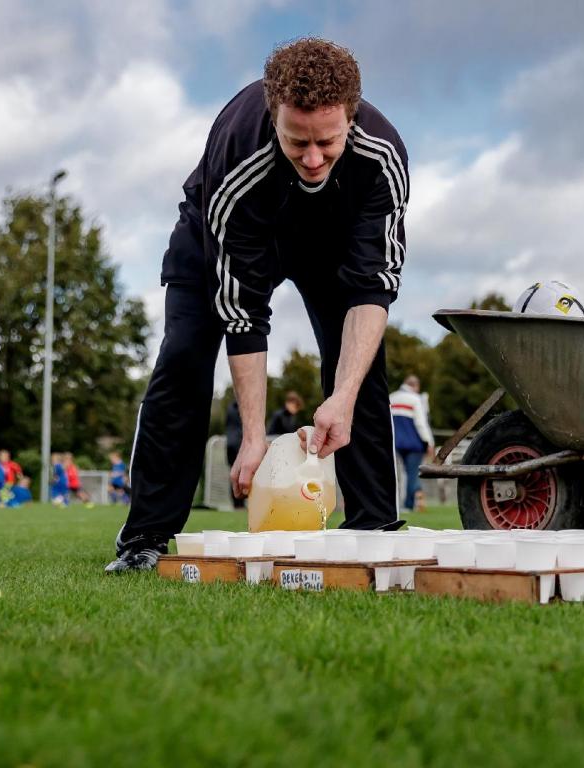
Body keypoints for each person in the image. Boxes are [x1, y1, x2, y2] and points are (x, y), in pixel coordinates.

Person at [108, 39, 409, 572]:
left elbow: (372, 287)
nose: (313, 159)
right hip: (222, 234)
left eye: (327, 142)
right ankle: (146, 536)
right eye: (297, 141)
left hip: (331, 243)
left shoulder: (382, 156)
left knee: (358, 366)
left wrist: (340, 399)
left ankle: (371, 526)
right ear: (274, 119)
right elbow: (243, 315)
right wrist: (253, 438)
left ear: (351, 117)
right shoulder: (237, 160)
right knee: (184, 358)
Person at [389, 375, 434, 514]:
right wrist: (429, 442)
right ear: (416, 386)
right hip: (414, 444)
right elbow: (421, 423)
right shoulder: (415, 399)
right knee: (412, 474)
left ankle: (397, 504)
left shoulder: (392, 397)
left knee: (399, 474)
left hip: (396, 443)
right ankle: (408, 505)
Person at [223, 398, 245, 510]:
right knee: (241, 474)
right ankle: (239, 504)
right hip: (238, 445)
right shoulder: (243, 409)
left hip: (229, 445)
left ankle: (236, 504)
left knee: (233, 474)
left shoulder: (229, 408)